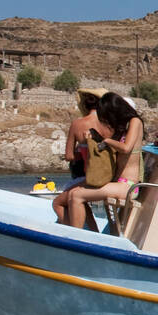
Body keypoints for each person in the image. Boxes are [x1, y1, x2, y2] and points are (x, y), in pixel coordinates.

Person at [62, 92, 145, 229]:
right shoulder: (122, 127)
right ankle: (91, 234)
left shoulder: (135, 122)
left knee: (77, 196)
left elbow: (126, 148)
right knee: (72, 193)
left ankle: (78, 237)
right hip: (116, 181)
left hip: (128, 185)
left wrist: (107, 141)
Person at [51, 88, 105, 228]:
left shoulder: (77, 124)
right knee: (82, 203)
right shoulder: (108, 125)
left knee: (57, 203)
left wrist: (81, 151)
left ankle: (73, 234)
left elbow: (69, 156)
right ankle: (94, 232)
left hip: (87, 176)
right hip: (106, 175)